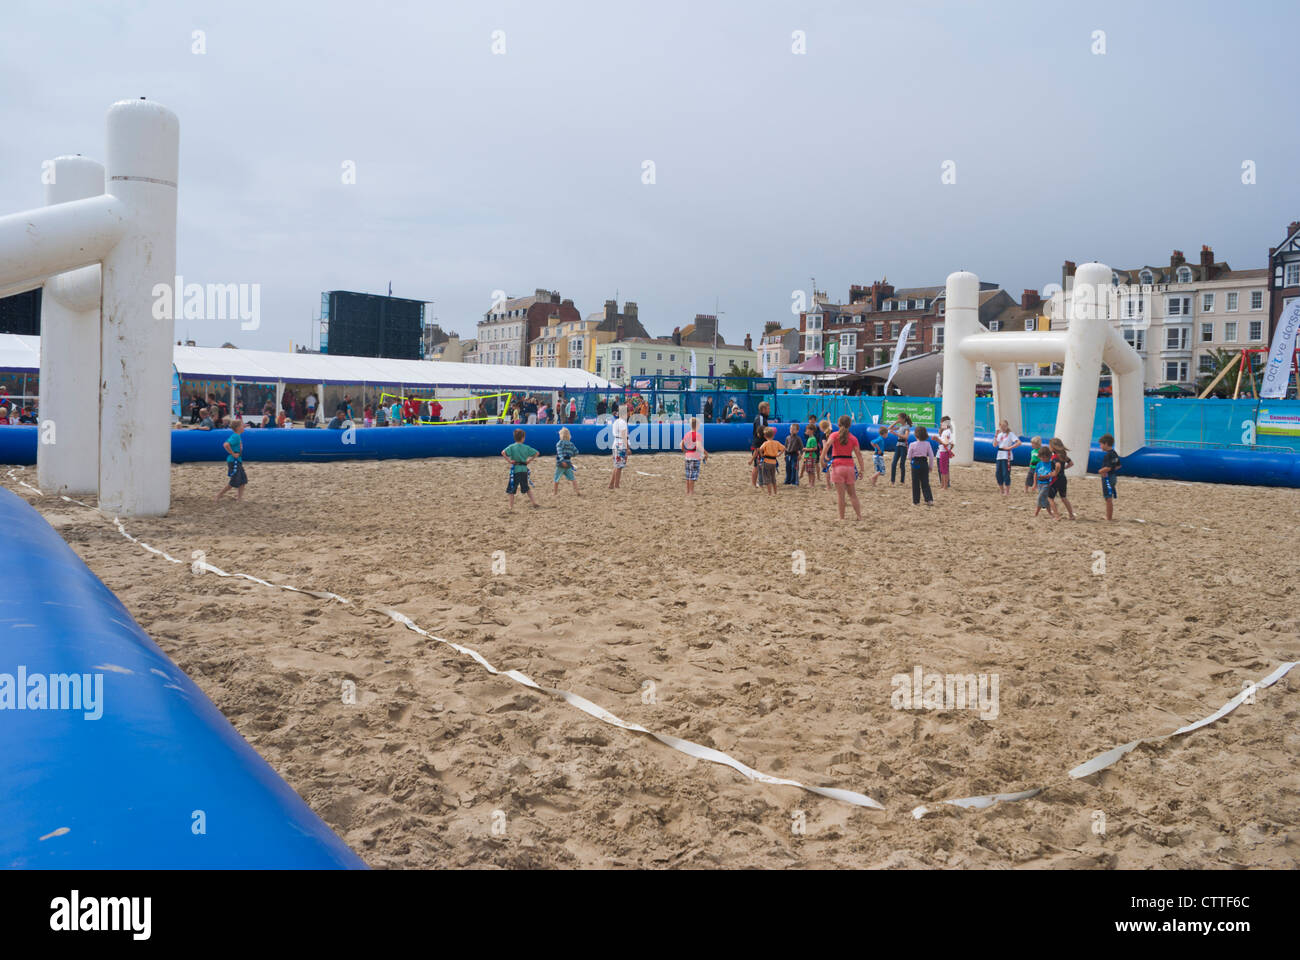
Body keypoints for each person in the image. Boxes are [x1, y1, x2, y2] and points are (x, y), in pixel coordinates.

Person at [821, 414, 864, 520]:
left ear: (838, 424)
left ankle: (841, 518)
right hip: (849, 466)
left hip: (837, 465)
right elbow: (858, 454)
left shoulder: (834, 435)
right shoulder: (853, 438)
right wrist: (862, 469)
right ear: (850, 425)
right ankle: (859, 516)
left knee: (841, 496)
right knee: (853, 495)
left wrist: (821, 459)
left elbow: (827, 445)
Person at [501, 428, 540, 509]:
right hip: (524, 470)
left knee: (512, 489)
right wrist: (529, 460)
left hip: (515, 470)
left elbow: (503, 452)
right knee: (526, 487)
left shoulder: (512, 447)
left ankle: (510, 506)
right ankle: (534, 502)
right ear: (523, 438)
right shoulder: (526, 447)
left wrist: (509, 461)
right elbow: (537, 453)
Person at [215, 418, 248, 502]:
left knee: (243, 480)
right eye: (242, 425)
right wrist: (233, 454)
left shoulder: (238, 436)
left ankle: (239, 499)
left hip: (237, 461)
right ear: (237, 428)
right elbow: (226, 445)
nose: (244, 426)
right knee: (234, 482)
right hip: (234, 461)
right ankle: (218, 495)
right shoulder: (236, 436)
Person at [907, 425, 937, 506]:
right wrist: (930, 466)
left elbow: (909, 457)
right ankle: (929, 500)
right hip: (924, 463)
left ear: (916, 434)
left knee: (915, 483)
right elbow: (931, 456)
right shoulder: (927, 444)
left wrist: (912, 460)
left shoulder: (912, 444)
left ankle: (916, 501)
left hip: (915, 464)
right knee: (925, 482)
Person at [1047, 437, 1076, 520]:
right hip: (1063, 479)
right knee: (1063, 498)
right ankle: (1071, 515)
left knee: (1050, 498)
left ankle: (1057, 516)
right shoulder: (1063, 455)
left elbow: (1058, 465)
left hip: (1055, 480)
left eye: (1050, 445)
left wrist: (1055, 473)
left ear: (1053, 447)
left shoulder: (1055, 457)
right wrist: (1064, 469)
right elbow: (1071, 463)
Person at [753, 426, 785, 495]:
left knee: (767, 478)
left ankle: (769, 492)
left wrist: (761, 455)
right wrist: (779, 454)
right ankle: (775, 492)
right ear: (773, 435)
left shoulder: (765, 443)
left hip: (766, 461)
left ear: (765, 436)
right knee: (773, 477)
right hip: (773, 462)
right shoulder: (776, 442)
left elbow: (760, 449)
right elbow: (783, 448)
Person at [681, 417, 708, 495]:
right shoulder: (697, 435)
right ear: (697, 426)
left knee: (688, 474)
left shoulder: (687, 434)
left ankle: (688, 491)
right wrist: (706, 453)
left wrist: (684, 451)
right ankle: (691, 491)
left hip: (687, 456)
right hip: (695, 457)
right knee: (692, 475)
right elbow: (698, 446)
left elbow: (681, 444)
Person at [994, 419, 1020, 495]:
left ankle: (1007, 491)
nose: (1003, 428)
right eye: (1001, 426)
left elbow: (1019, 442)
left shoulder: (1010, 434)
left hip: (1007, 455)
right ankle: (1001, 489)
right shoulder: (999, 434)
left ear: (1007, 426)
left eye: (1004, 426)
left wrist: (1010, 448)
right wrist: (995, 435)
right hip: (999, 455)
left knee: (1006, 473)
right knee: (998, 473)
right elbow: (995, 445)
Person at [1098, 433, 1120, 521]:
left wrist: (1100, 471)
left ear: (1106, 444)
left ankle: (1109, 517)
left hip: (1108, 478)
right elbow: (1118, 466)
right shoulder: (1114, 453)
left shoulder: (1108, 455)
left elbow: (1108, 467)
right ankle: (1108, 516)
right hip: (1113, 476)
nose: (1100, 446)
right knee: (1109, 497)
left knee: (1108, 498)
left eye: (1101, 444)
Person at [553, 427, 580, 497]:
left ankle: (555, 493)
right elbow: (576, 452)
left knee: (556, 478)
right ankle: (577, 491)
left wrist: (562, 460)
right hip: (568, 463)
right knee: (572, 478)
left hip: (560, 463)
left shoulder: (559, 443)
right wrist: (571, 454)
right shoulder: (571, 444)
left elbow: (559, 452)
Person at [750, 401, 771, 488]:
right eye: (768, 408)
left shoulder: (761, 418)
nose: (769, 410)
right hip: (758, 445)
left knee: (760, 465)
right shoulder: (760, 418)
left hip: (760, 444)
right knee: (757, 465)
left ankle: (760, 482)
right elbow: (760, 432)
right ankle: (754, 484)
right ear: (763, 409)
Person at [1032, 448, 1058, 518]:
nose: (1042, 459)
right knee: (1045, 500)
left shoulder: (1051, 464)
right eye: (1041, 457)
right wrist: (1035, 483)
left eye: (1044, 457)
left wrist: (1046, 476)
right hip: (1040, 484)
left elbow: (1053, 473)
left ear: (1049, 456)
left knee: (1040, 498)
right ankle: (1050, 513)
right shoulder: (1039, 464)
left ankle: (1036, 513)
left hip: (1047, 484)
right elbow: (1035, 474)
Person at [608, 405, 628, 489]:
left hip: (616, 443)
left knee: (616, 465)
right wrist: (628, 447)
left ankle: (611, 484)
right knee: (619, 467)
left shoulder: (616, 421)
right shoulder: (623, 422)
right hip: (620, 444)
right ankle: (616, 485)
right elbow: (624, 435)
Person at [889, 413, 912, 485]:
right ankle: (892, 480)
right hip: (898, 445)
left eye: (899, 418)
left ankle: (902, 481)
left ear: (903, 419)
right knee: (893, 463)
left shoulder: (907, 427)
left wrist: (896, 434)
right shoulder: (900, 426)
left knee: (902, 464)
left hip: (903, 446)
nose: (898, 420)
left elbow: (906, 437)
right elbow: (889, 428)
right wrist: (896, 422)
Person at [800, 423, 822, 491]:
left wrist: (805, 449)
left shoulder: (812, 438)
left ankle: (812, 484)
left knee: (811, 471)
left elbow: (815, 448)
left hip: (811, 456)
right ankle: (810, 483)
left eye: (807, 430)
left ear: (812, 431)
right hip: (808, 456)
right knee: (809, 471)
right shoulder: (810, 438)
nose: (806, 431)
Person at [936, 415, 954, 490]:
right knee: (943, 469)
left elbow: (945, 443)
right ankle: (943, 485)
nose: (940, 424)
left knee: (944, 470)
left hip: (944, 452)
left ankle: (945, 486)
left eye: (941, 423)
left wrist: (937, 439)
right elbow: (951, 443)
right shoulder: (948, 431)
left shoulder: (946, 432)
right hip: (943, 451)